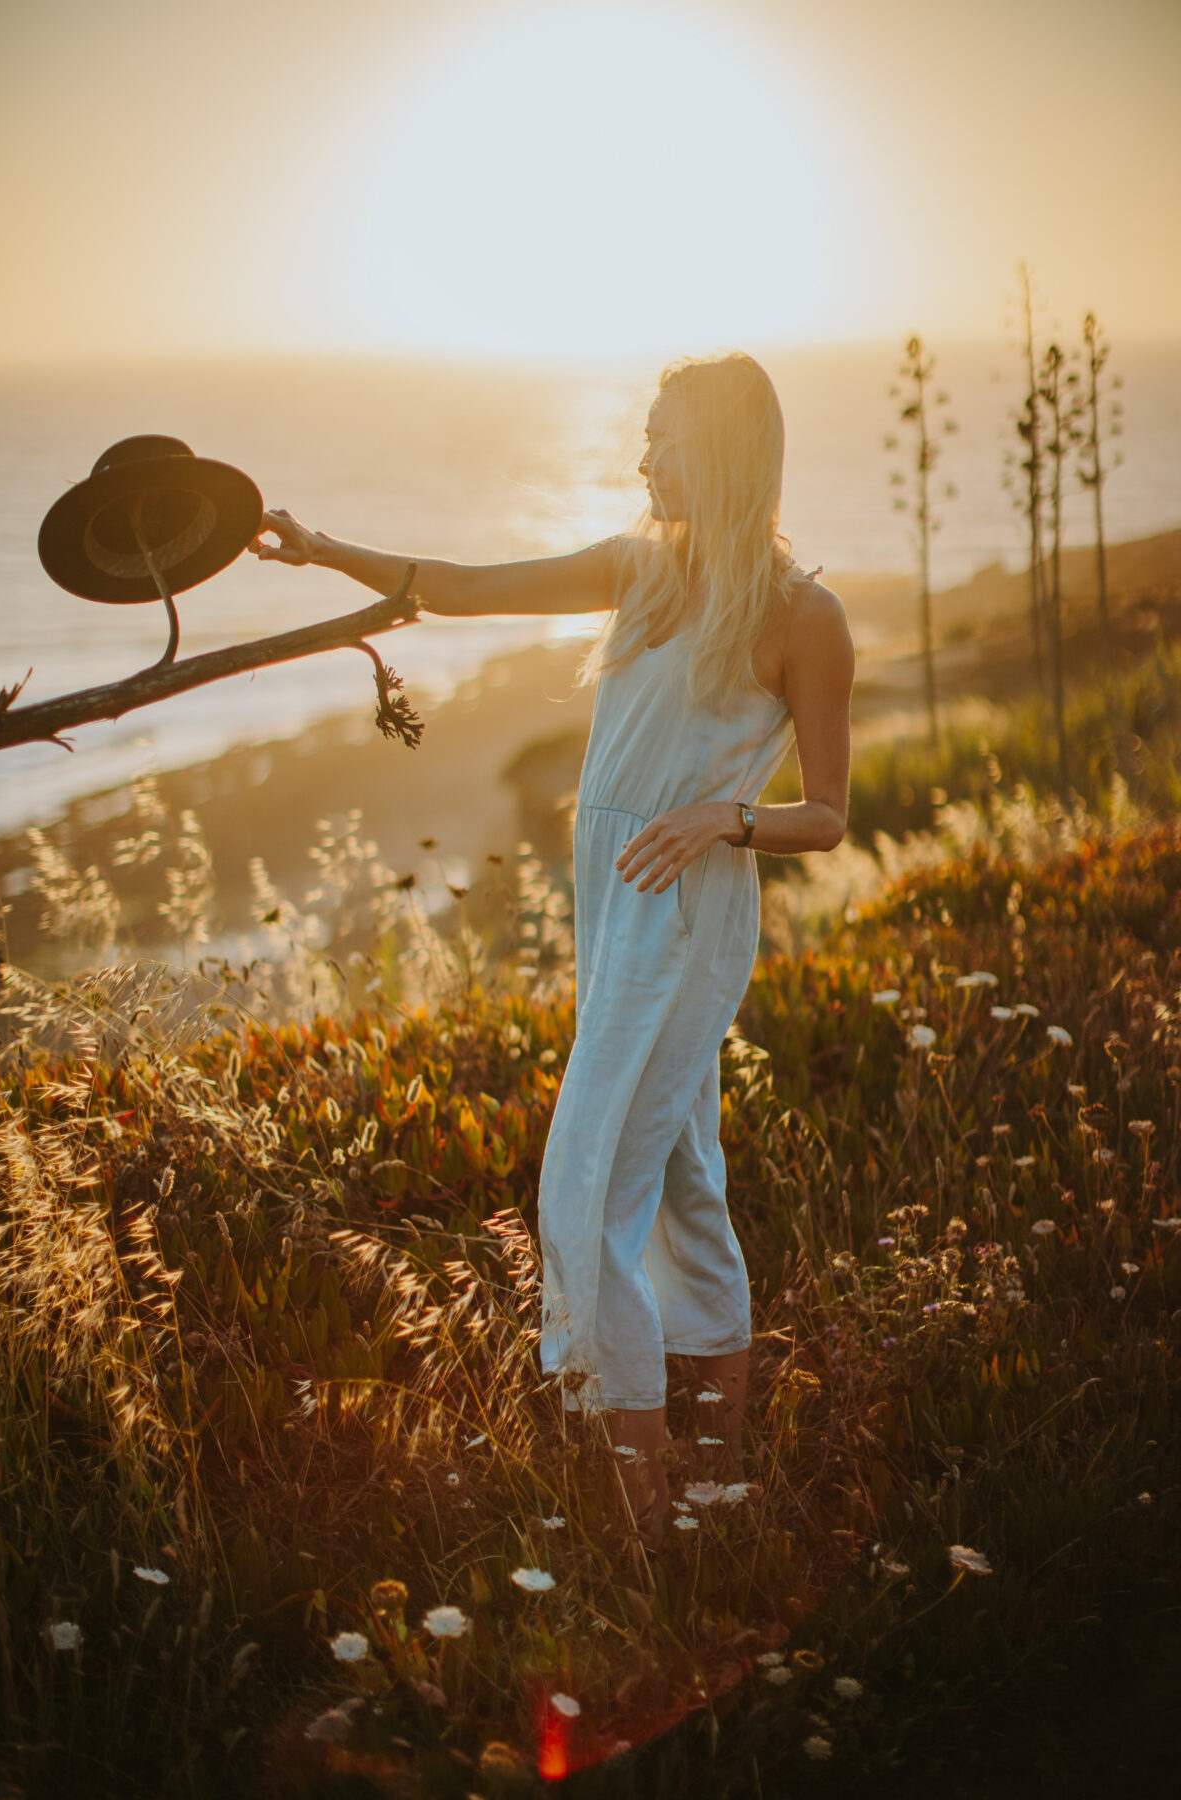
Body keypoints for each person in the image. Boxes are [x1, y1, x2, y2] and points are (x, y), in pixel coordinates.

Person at [250, 351, 854, 1544]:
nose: (643, 458)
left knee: (589, 1185)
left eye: (665, 438)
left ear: (723, 452)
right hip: (617, 906)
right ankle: (720, 1477)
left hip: (686, 912)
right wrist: (321, 549)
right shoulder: (638, 569)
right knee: (680, 1181)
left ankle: (648, 1518)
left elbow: (829, 816)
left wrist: (724, 816)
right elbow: (461, 585)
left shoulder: (804, 616)